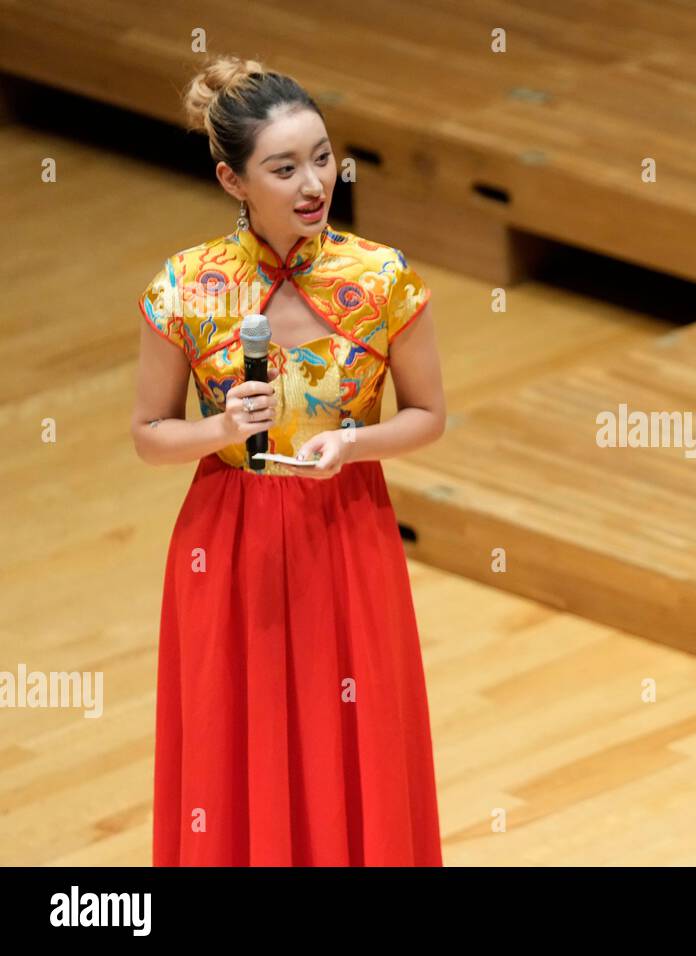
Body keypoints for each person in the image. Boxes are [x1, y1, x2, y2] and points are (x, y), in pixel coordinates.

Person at [132, 55, 447, 865]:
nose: (314, 184)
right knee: (238, 739)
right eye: (285, 168)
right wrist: (219, 428)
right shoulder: (187, 287)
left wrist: (355, 442)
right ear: (233, 181)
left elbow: (428, 417)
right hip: (226, 539)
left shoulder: (382, 279)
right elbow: (148, 433)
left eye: (323, 158)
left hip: (347, 529)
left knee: (360, 734)